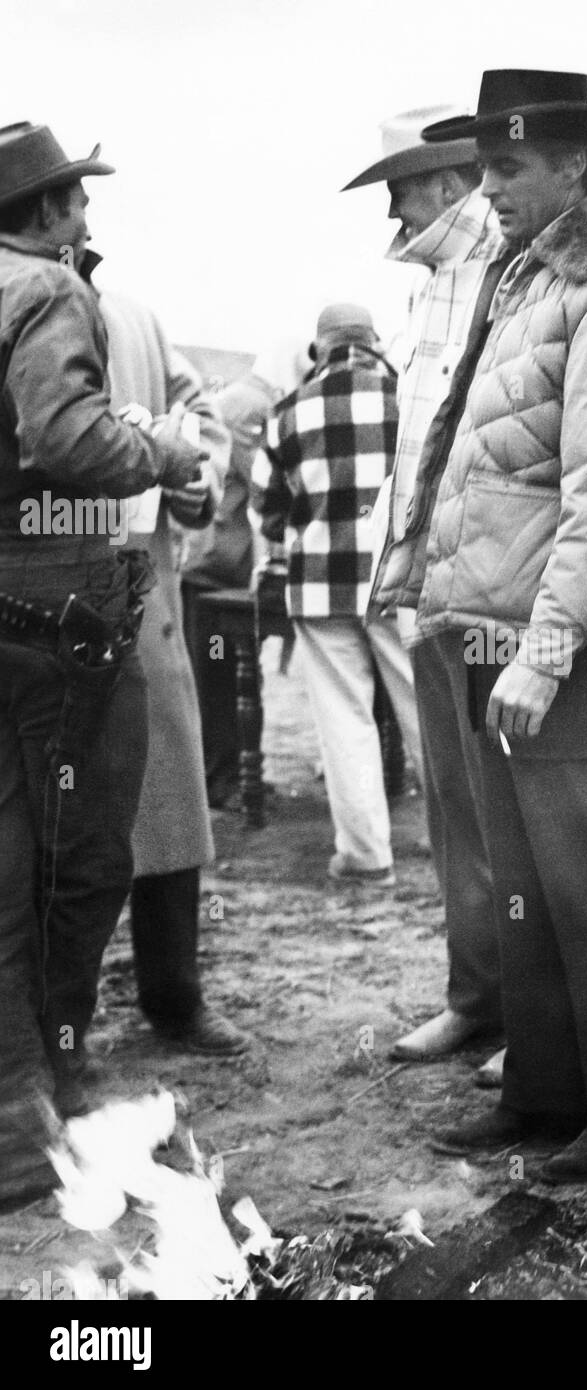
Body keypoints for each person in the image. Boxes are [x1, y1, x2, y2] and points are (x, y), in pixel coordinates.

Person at [417, 70, 587, 1182]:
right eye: (483, 166)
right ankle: (540, 1090)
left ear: (576, 165)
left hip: (570, 647)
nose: (489, 189)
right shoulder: (521, 282)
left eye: (510, 166)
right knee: (521, 881)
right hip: (491, 632)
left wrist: (545, 648)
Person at [0, 121, 204, 1205]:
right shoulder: (47, 290)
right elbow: (68, 440)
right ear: (41, 213)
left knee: (13, 860)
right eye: (72, 200)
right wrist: (160, 449)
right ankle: (50, 1076)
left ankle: (21, 1093)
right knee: (83, 862)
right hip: (59, 618)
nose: (87, 217)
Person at [346, 105, 506, 1067]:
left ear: (447, 186)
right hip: (433, 585)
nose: (392, 213)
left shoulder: (511, 278)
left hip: (494, 588)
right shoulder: (430, 294)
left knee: (506, 817)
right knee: (454, 806)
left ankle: (529, 1017)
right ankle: (480, 998)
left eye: (401, 189)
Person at [95, 284, 249, 1058]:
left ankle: (173, 995)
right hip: (19, 591)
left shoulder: (133, 319)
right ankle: (44, 1026)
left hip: (133, 587)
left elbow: (203, 425)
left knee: (161, 794)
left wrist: (193, 474)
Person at [251, 304, 423, 887]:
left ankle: (366, 856)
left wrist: (300, 530)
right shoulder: (413, 400)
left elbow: (264, 511)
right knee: (427, 713)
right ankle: (467, 841)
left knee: (345, 721)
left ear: (318, 349)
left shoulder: (287, 413)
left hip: (321, 587)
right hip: (403, 584)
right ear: (374, 342)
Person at [181, 373, 275, 808]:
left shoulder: (240, 404)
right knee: (220, 678)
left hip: (222, 575)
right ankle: (221, 780)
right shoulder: (245, 408)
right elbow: (262, 479)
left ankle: (235, 772)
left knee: (235, 678)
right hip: (214, 578)